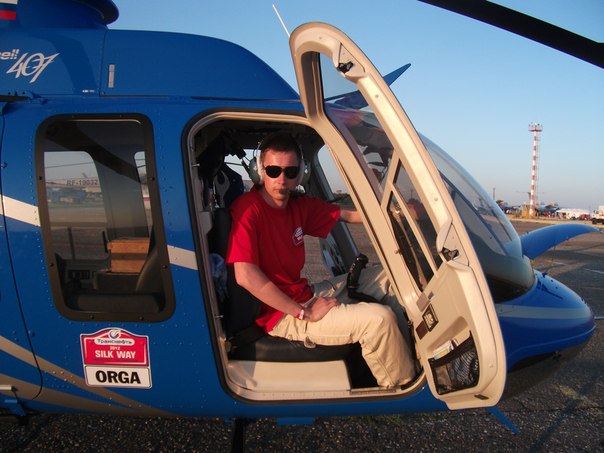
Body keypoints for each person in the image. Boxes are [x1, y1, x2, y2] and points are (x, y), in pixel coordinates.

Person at [226, 132, 415, 388]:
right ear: (260, 171)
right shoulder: (249, 209)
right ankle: (402, 389)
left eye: (290, 172)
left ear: (300, 174)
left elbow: (348, 215)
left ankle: (408, 359)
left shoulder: (298, 206)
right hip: (281, 314)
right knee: (379, 320)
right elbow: (245, 275)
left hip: (305, 293)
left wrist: (398, 212)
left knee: (390, 277)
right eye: (273, 171)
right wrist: (304, 312)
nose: (281, 179)